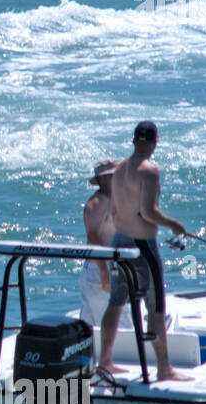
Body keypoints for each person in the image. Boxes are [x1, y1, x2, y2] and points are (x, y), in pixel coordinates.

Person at [96, 121, 193, 383]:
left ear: (133, 141)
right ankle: (163, 368)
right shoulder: (149, 170)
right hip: (142, 246)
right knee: (155, 305)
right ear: (155, 141)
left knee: (116, 301)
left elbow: (115, 211)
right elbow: (148, 212)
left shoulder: (119, 170)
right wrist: (174, 224)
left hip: (119, 242)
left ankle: (104, 362)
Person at [80, 159, 121, 328]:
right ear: (103, 179)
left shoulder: (113, 199)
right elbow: (93, 238)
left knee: (90, 331)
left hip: (103, 271)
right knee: (118, 327)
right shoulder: (97, 202)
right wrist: (105, 273)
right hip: (100, 272)